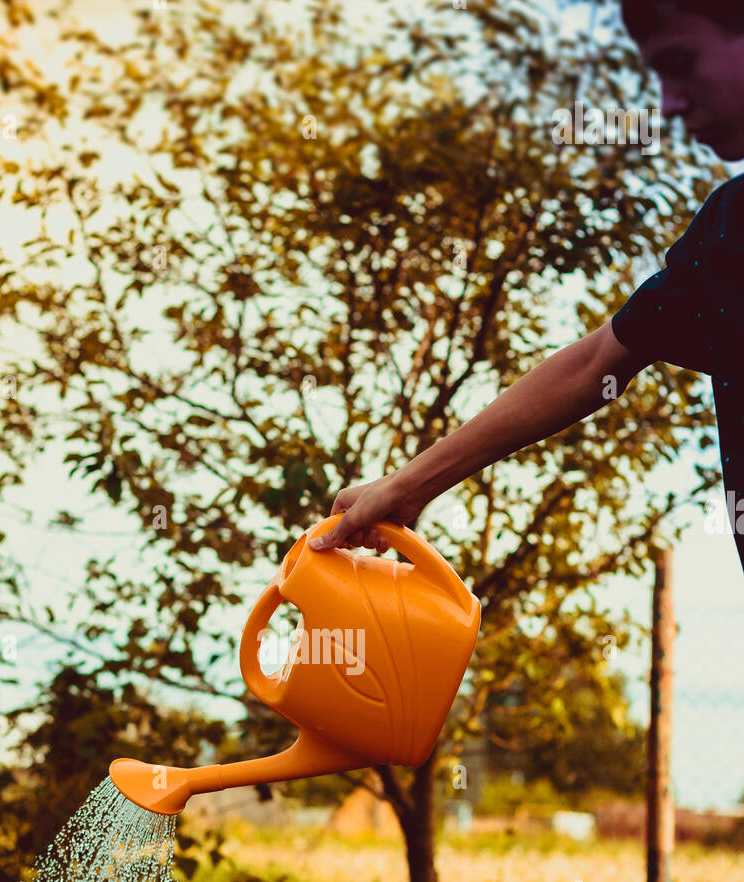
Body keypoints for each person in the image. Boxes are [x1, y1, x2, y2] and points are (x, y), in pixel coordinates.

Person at [309, 0, 744, 578]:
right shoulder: (729, 232)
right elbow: (595, 364)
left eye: (682, 63)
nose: (668, 102)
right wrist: (408, 486)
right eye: (658, 75)